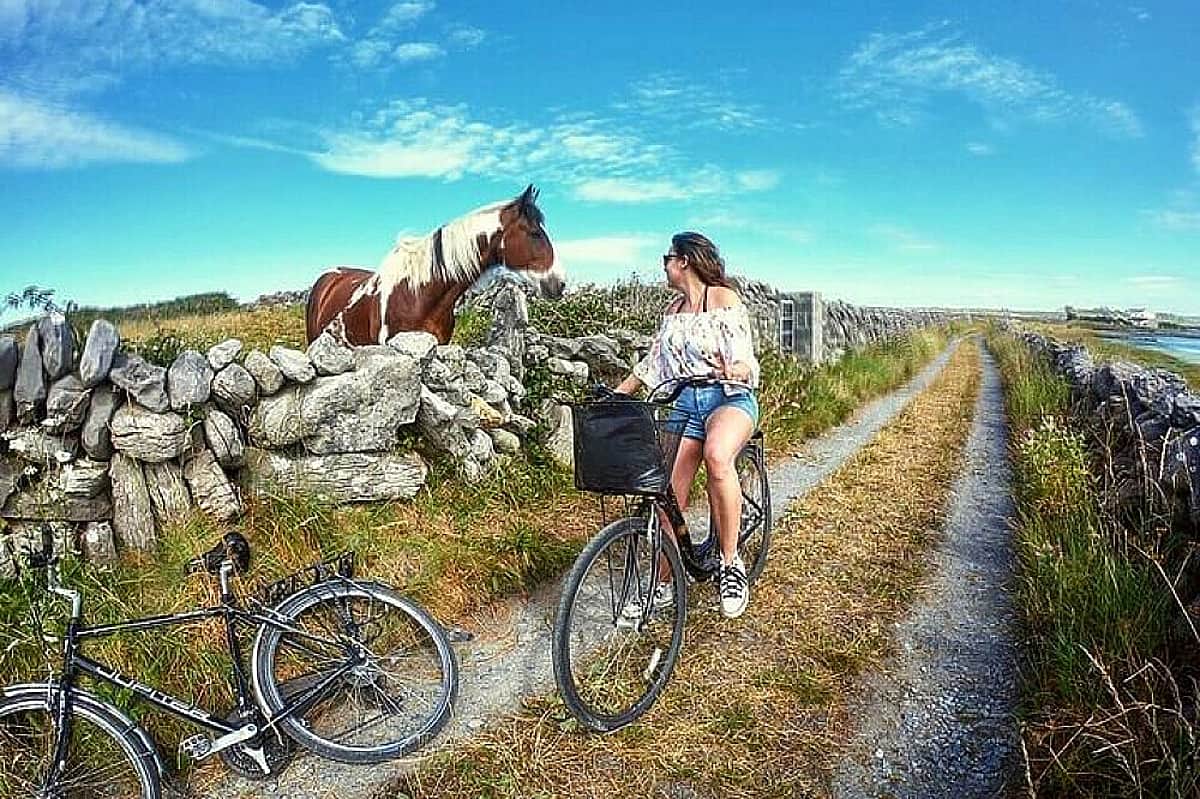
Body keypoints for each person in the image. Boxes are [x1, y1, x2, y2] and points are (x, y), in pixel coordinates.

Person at [614, 232, 761, 619]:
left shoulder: (724, 299)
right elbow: (650, 367)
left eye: (667, 258)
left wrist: (736, 369)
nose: (663, 265)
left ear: (684, 261)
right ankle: (661, 585)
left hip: (729, 398)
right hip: (686, 402)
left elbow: (746, 359)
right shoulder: (672, 311)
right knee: (665, 494)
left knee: (717, 455)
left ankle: (731, 564)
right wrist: (615, 396)